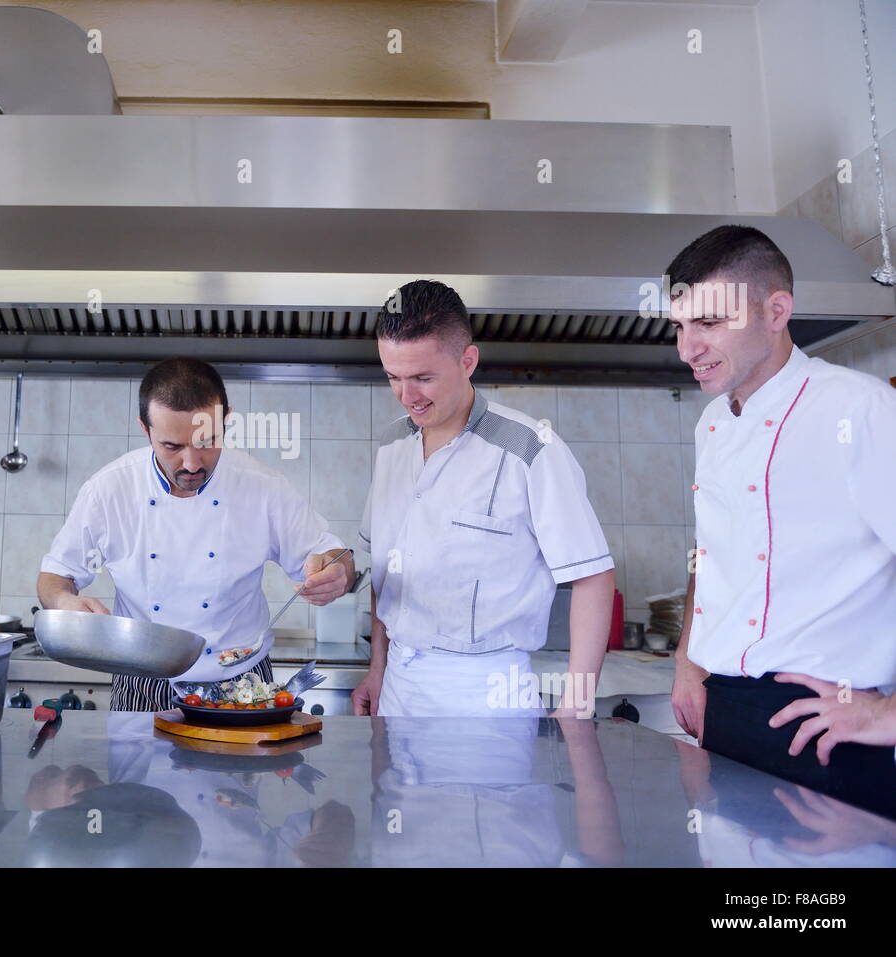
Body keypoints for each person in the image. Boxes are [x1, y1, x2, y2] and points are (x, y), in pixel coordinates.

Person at [665, 224, 896, 819]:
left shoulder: (858, 408)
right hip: (725, 716)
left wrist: (886, 715)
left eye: (709, 323)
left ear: (776, 310)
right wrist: (689, 665)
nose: (687, 348)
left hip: (824, 727)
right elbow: (711, 555)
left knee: (806, 912)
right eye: (680, 326)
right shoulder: (712, 423)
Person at [353, 280, 616, 718]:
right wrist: (377, 665)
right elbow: (387, 570)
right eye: (393, 377)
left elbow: (593, 577)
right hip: (399, 686)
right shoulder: (390, 445)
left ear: (467, 360)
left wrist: (576, 707)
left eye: (423, 377)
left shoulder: (531, 448)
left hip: (487, 692)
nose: (407, 396)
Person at [37, 356, 353, 711]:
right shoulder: (110, 490)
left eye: (207, 441)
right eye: (172, 447)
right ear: (146, 431)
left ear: (225, 420)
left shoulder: (263, 488)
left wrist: (335, 571)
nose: (191, 463)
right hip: (143, 681)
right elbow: (55, 576)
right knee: (134, 769)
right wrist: (65, 602)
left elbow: (336, 556)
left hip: (242, 684)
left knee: (240, 770)